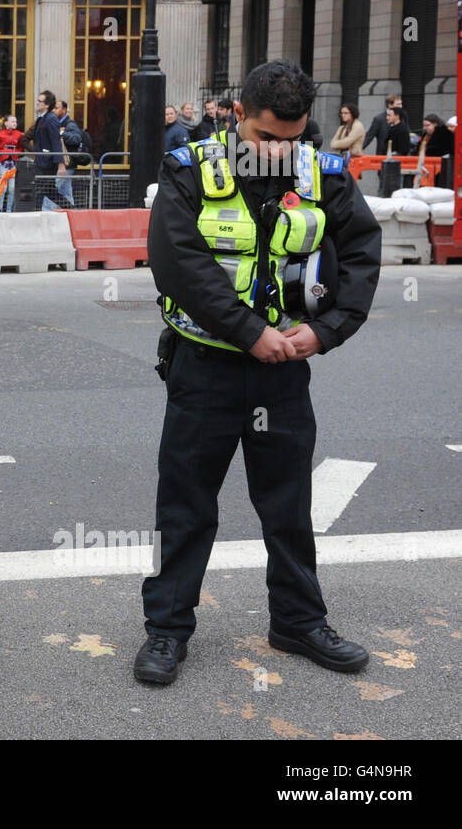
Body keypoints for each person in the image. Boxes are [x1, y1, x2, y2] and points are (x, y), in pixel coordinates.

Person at [136, 58, 381, 686]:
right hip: (205, 367)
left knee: (287, 504)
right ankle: (166, 630)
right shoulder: (188, 168)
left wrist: (325, 332)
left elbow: (359, 251)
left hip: (283, 374)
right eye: (267, 137)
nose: (280, 151)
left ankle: (297, 621)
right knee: (184, 507)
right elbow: (177, 262)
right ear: (237, 116)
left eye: (293, 139)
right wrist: (251, 333)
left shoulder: (321, 174)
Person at [33, 90, 69, 209]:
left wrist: (61, 164)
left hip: (47, 163)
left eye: (40, 101)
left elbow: (56, 140)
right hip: (42, 161)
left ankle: (35, 215)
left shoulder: (51, 119)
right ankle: (72, 209)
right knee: (48, 191)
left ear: (47, 105)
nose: (37, 103)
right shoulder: (42, 119)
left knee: (39, 191)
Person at [0, 115, 23, 211]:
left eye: (16, 121)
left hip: (13, 163)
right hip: (3, 163)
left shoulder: (19, 134)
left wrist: (15, 153)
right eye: (12, 121)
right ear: (6, 123)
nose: (15, 123)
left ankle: (9, 210)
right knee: (3, 188)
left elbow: (20, 148)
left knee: (12, 188)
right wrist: (3, 152)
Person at [414, 114, 453, 187]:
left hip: (438, 167)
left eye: (428, 125)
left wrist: (427, 150)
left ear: (435, 124)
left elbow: (445, 149)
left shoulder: (445, 134)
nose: (425, 128)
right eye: (424, 126)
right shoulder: (426, 134)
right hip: (425, 165)